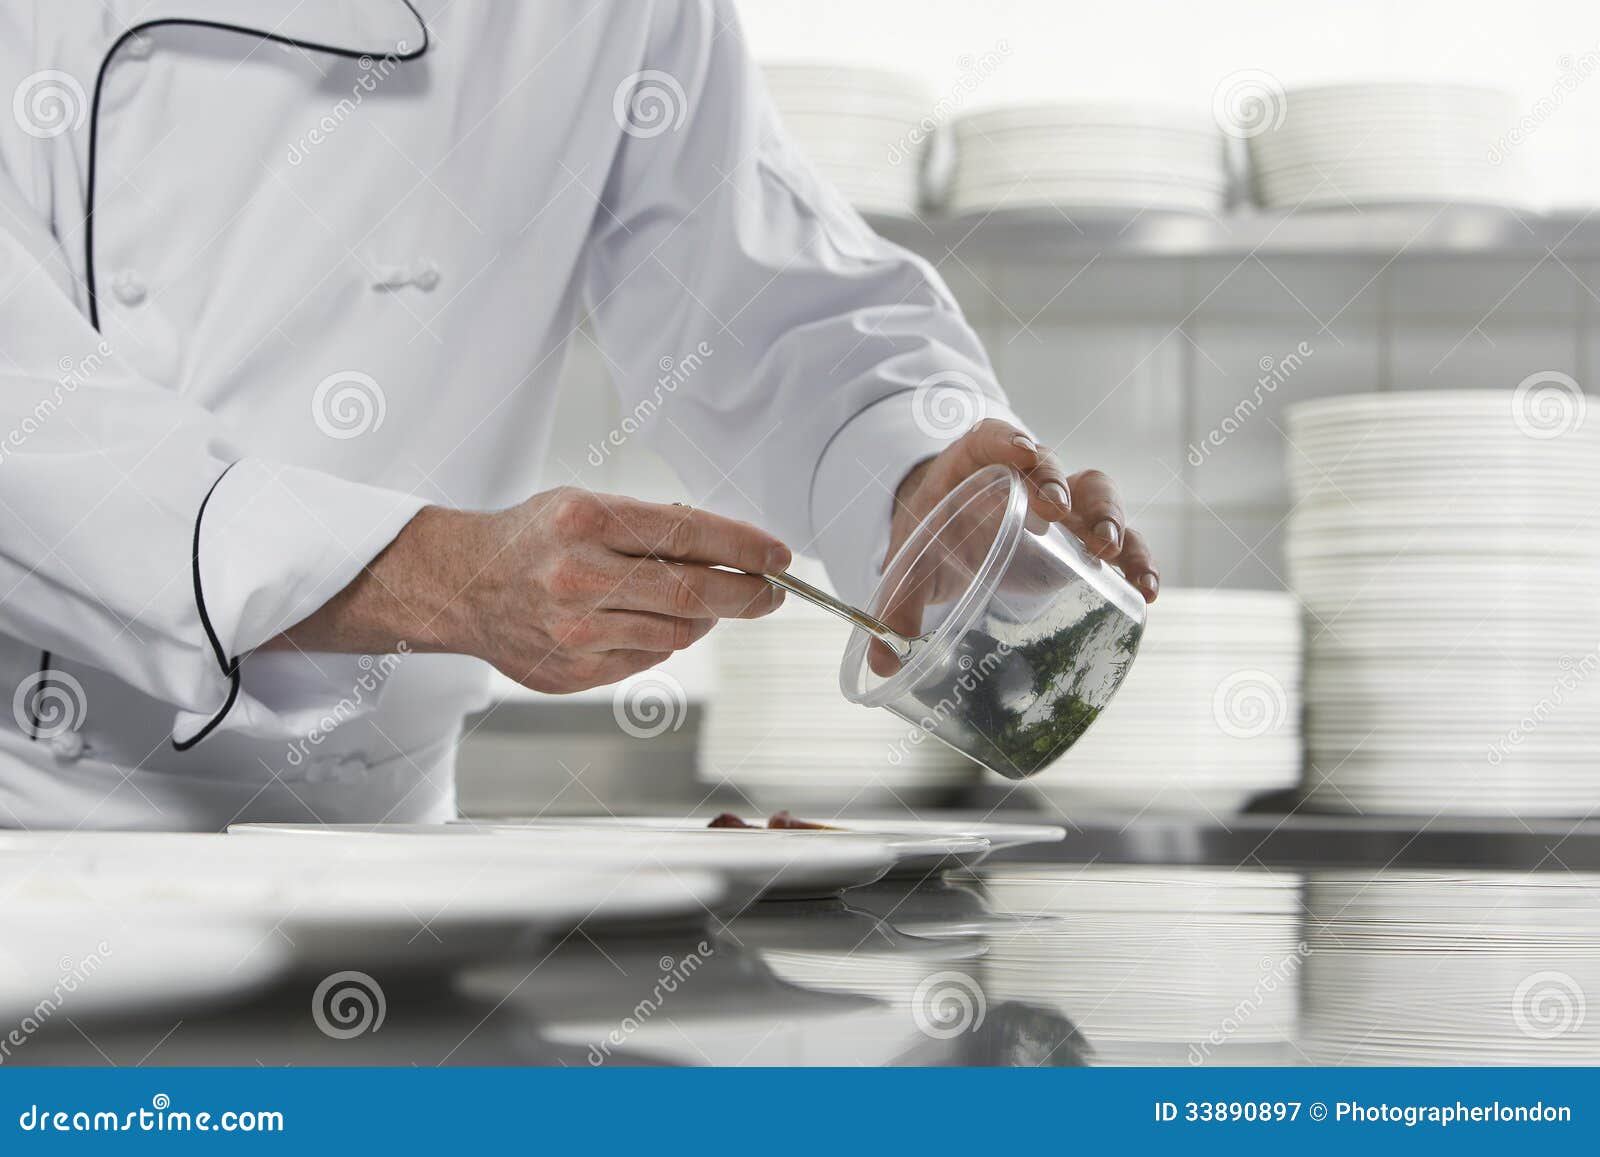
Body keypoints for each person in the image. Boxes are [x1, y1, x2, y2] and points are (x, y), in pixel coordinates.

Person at [0, 0, 1157, 829]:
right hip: (48, 838)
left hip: (385, 852)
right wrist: (434, 573)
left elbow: (755, 293)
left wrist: (915, 476)